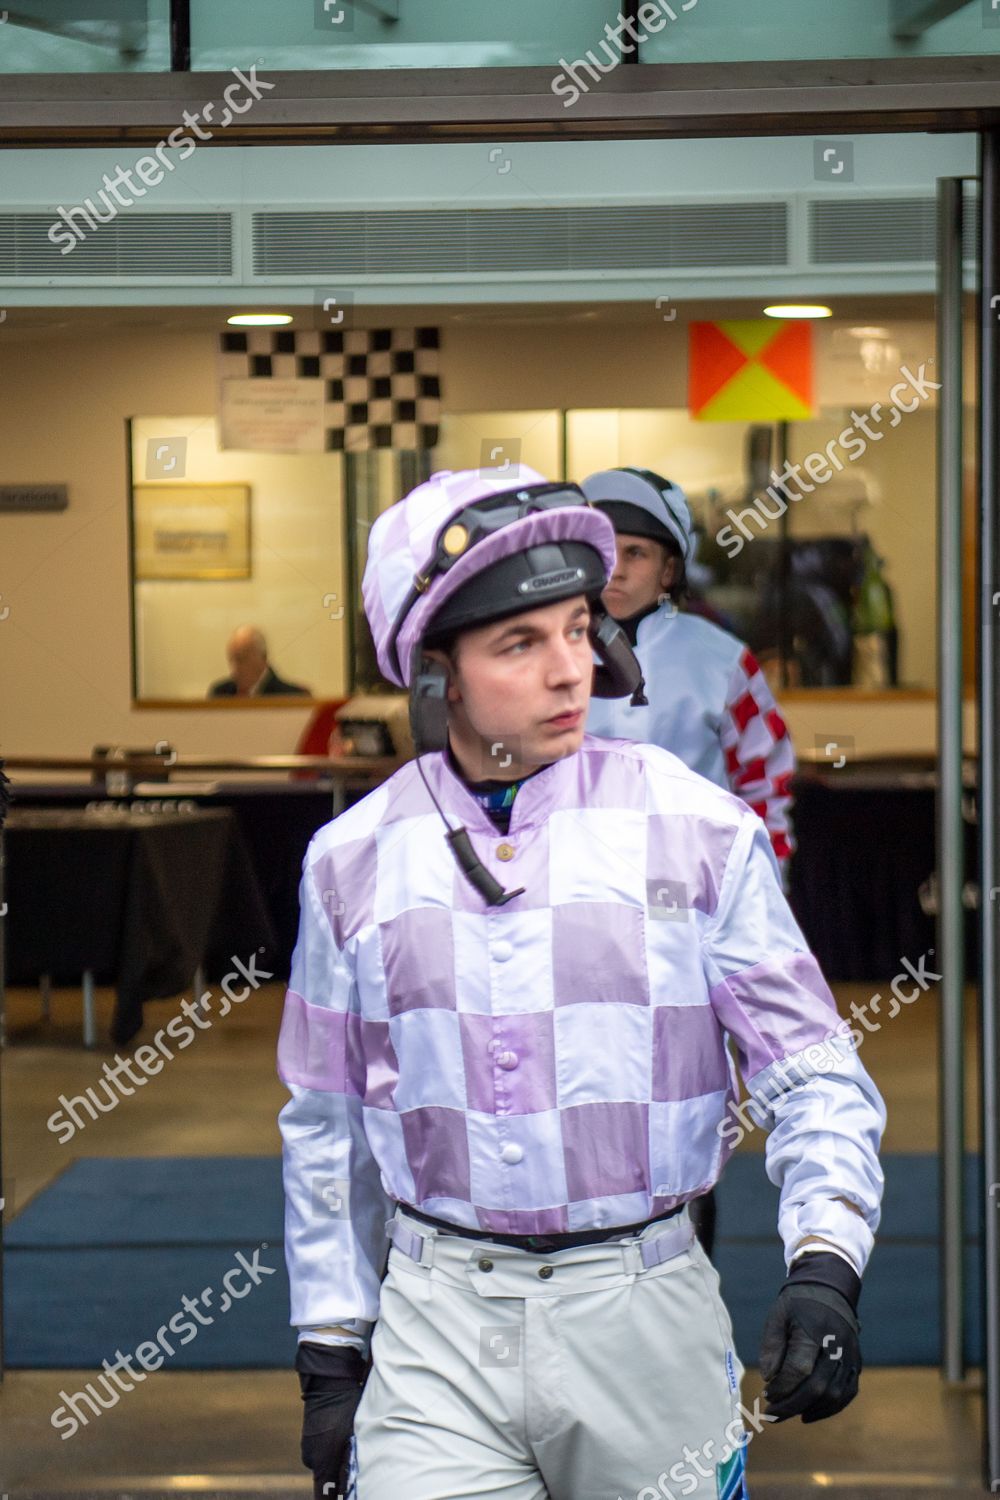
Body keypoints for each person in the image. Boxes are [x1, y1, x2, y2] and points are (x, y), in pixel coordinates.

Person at [277, 466, 885, 1500]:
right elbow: (327, 1122)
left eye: (575, 628)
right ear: (435, 675)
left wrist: (823, 1262)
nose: (569, 670)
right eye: (520, 643)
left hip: (644, 1315)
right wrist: (332, 1352)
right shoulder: (350, 859)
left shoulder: (696, 829)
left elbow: (815, 1074)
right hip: (436, 1330)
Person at [583, 467, 795, 872]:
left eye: (636, 553)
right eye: (606, 551)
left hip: (697, 895)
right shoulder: (547, 654)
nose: (618, 569)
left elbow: (764, 784)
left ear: (669, 571)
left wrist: (766, 891)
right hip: (577, 895)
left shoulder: (722, 659)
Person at [207, 625, 310, 698]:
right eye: (231, 659)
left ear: (263, 658)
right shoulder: (220, 694)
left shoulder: (292, 697)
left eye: (242, 658)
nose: (236, 667)